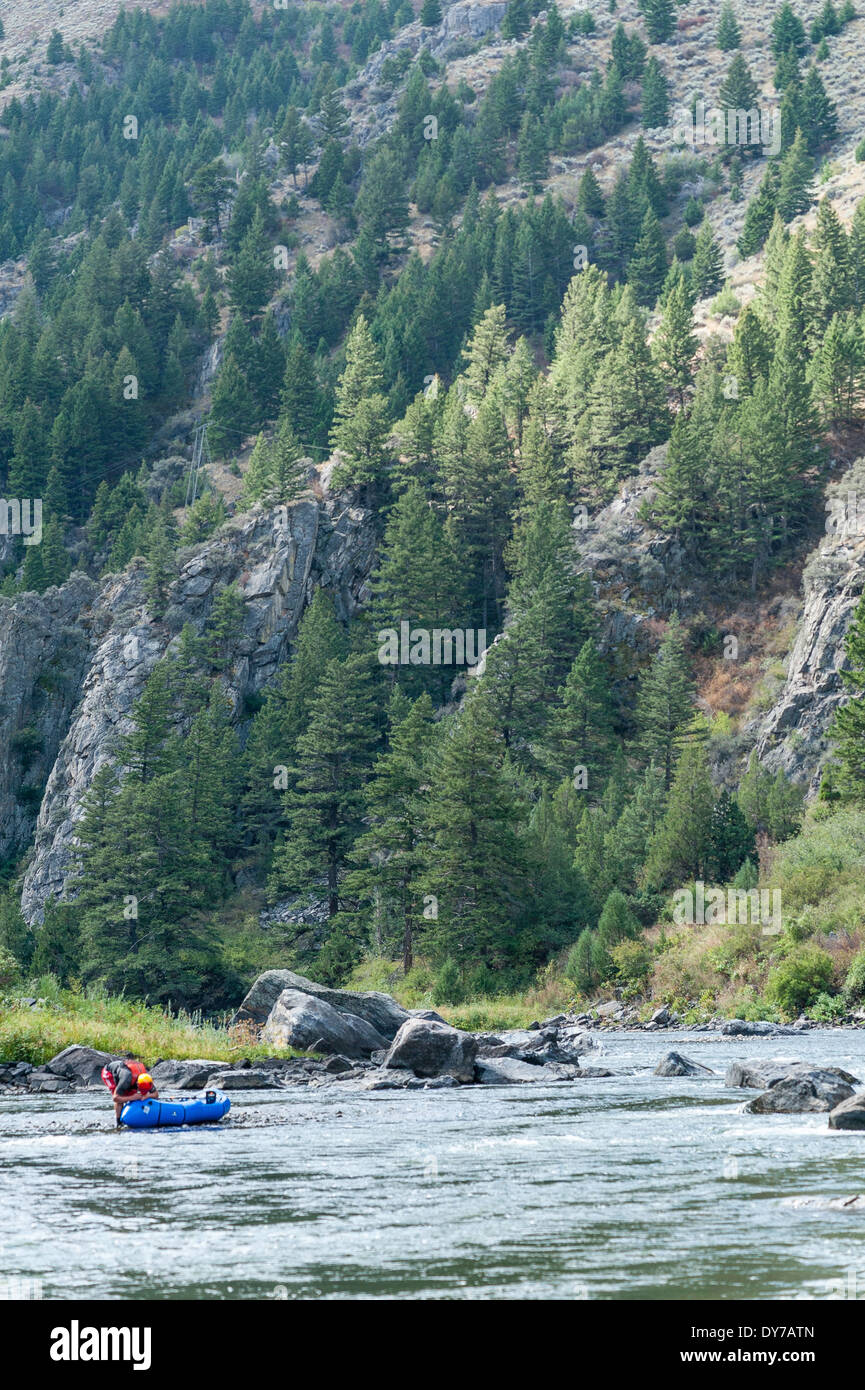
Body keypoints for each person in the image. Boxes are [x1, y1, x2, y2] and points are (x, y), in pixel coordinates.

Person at [101, 1055, 159, 1126]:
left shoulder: (146, 1079)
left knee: (131, 1094)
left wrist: (147, 1096)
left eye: (145, 1090)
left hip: (128, 1075)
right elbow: (115, 1098)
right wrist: (132, 1097)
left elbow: (156, 1094)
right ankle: (118, 1122)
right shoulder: (126, 1079)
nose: (143, 1092)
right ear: (138, 1084)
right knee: (121, 1097)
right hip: (109, 1073)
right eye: (142, 1090)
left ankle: (130, 1115)